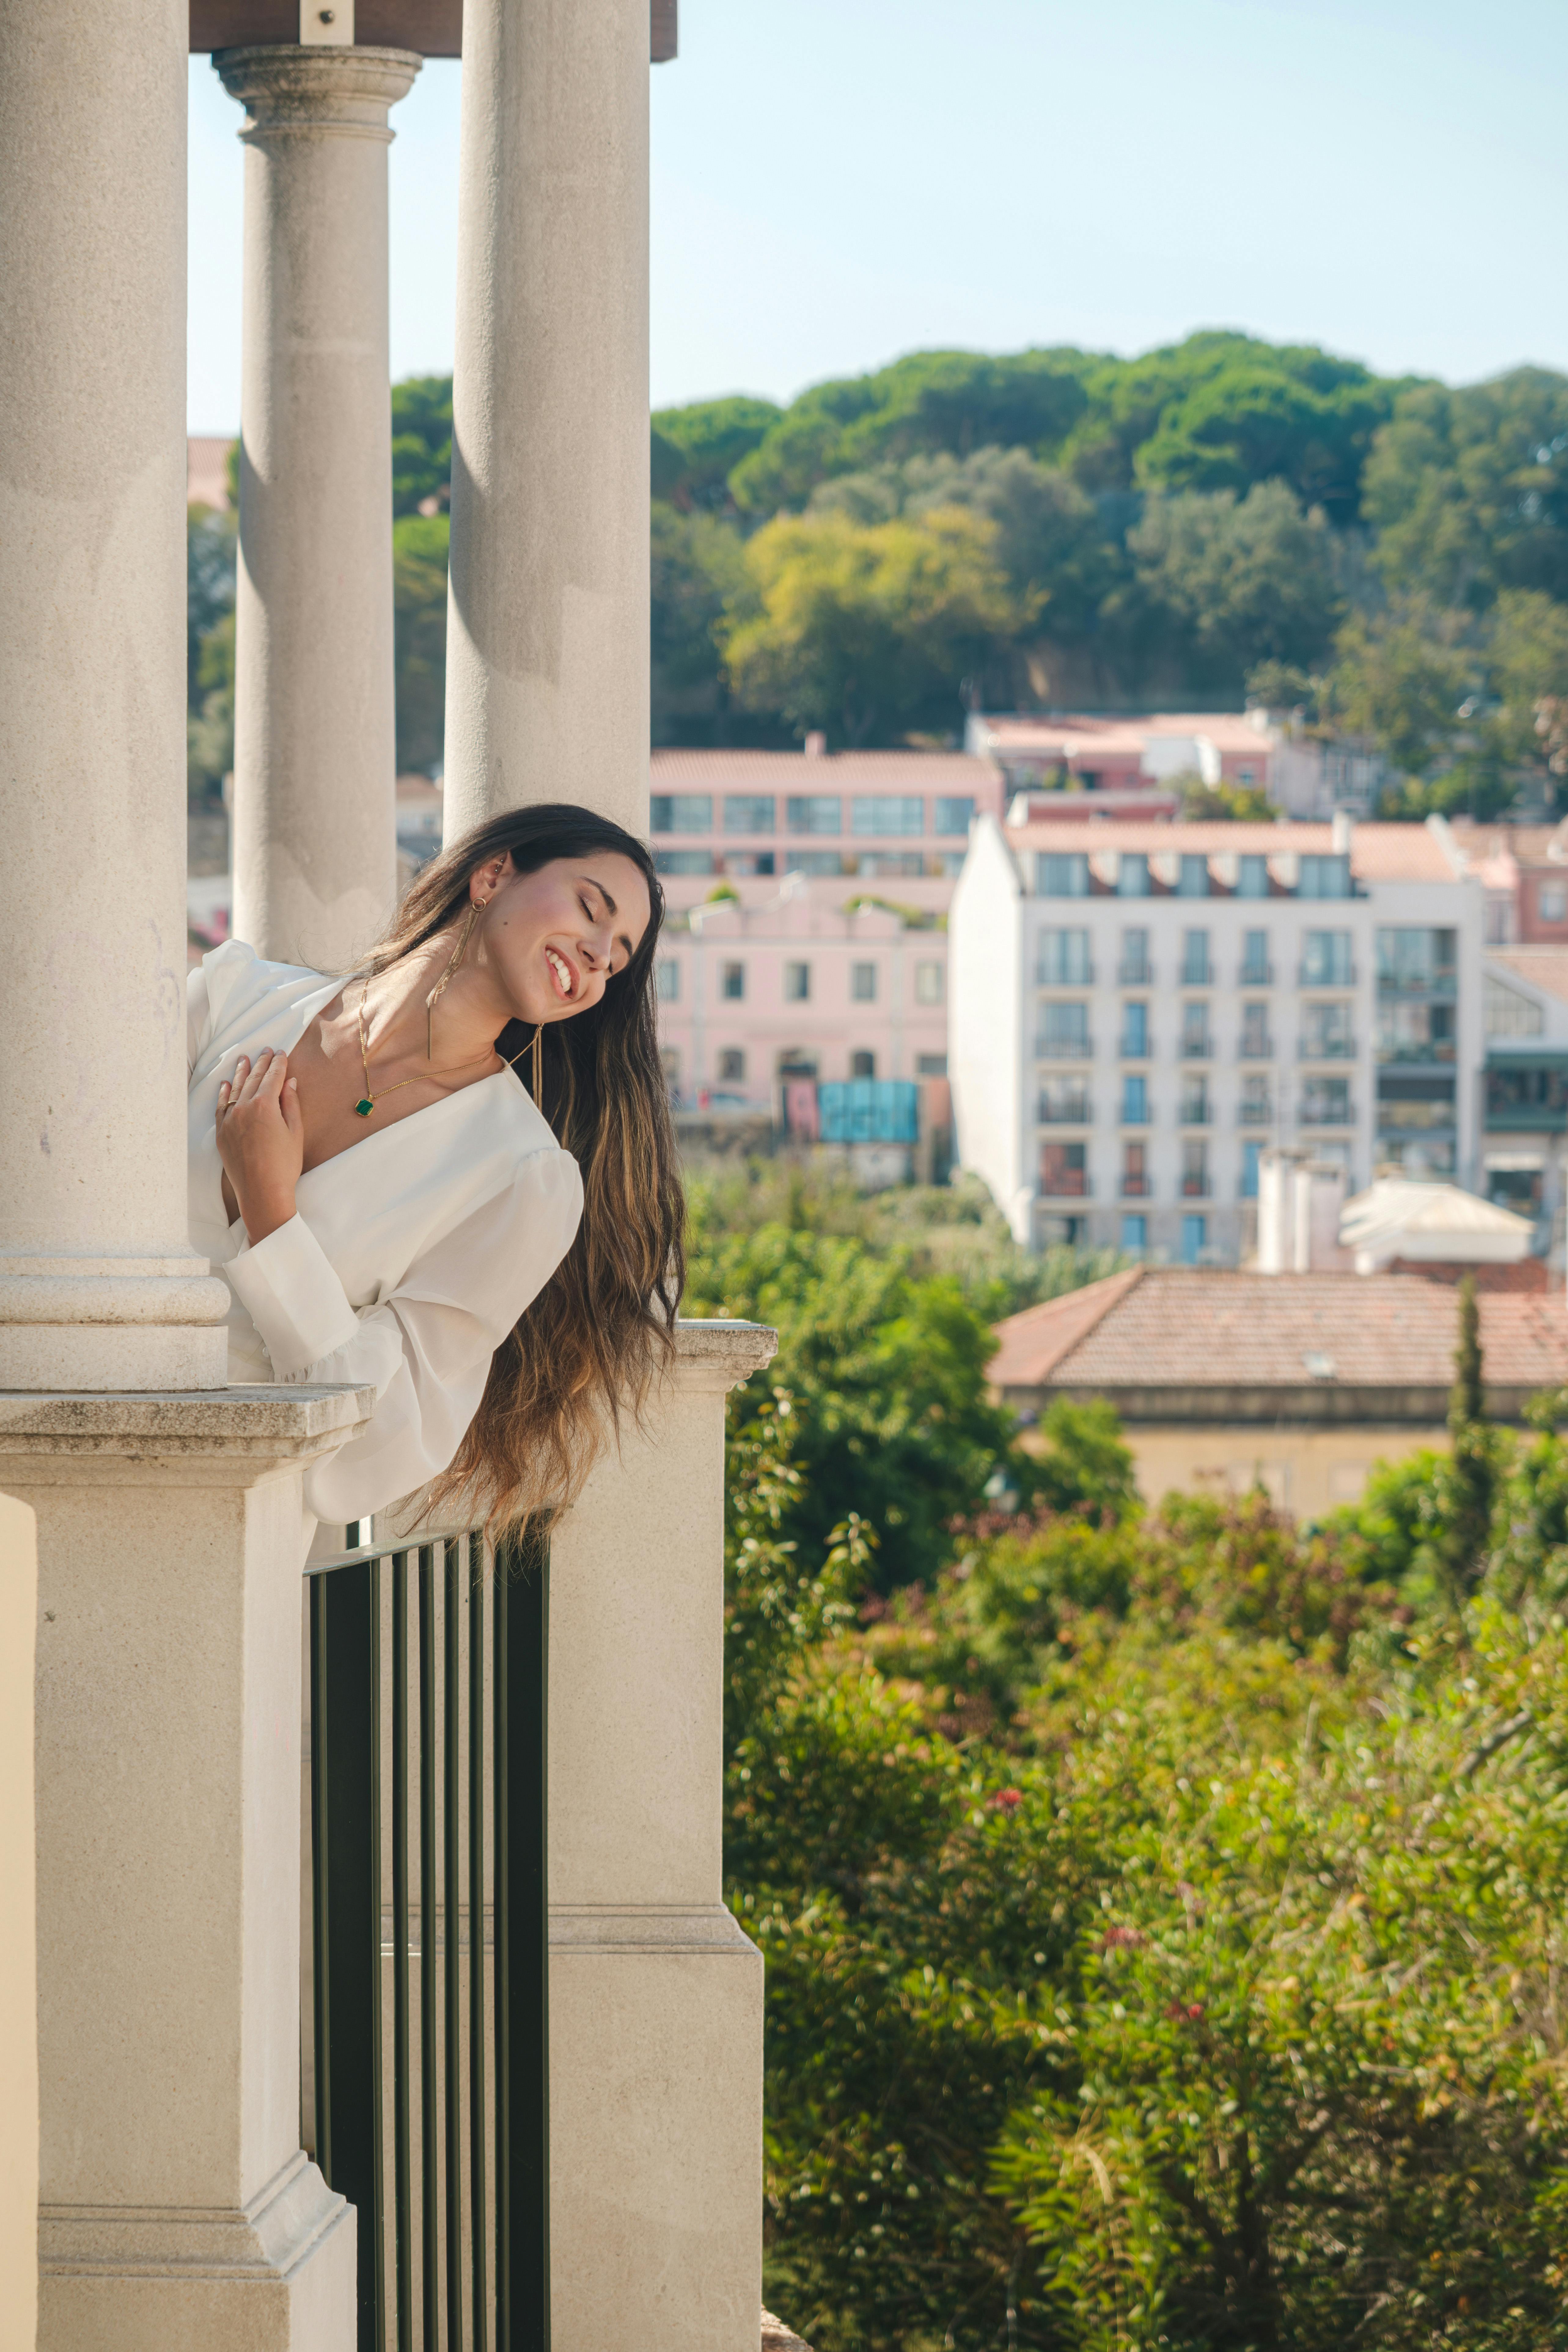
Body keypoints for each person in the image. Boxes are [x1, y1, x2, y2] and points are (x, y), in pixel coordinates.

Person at [186, 802, 684, 1543]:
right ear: (492, 875)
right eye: (590, 908)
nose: (595, 957)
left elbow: (373, 1447)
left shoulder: (524, 1180)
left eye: (614, 958)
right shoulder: (236, 996)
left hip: (220, 1538)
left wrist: (272, 1214)